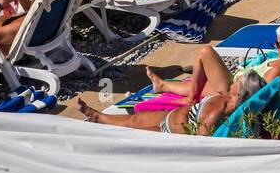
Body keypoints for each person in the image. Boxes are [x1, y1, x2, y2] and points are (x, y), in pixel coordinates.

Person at [78, 43, 267, 135]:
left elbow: (202, 142)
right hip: (174, 117)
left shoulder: (217, 110)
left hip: (168, 131)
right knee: (133, 119)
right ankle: (98, 117)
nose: (236, 77)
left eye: (239, 79)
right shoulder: (224, 98)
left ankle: (98, 120)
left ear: (239, 90)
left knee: (132, 127)